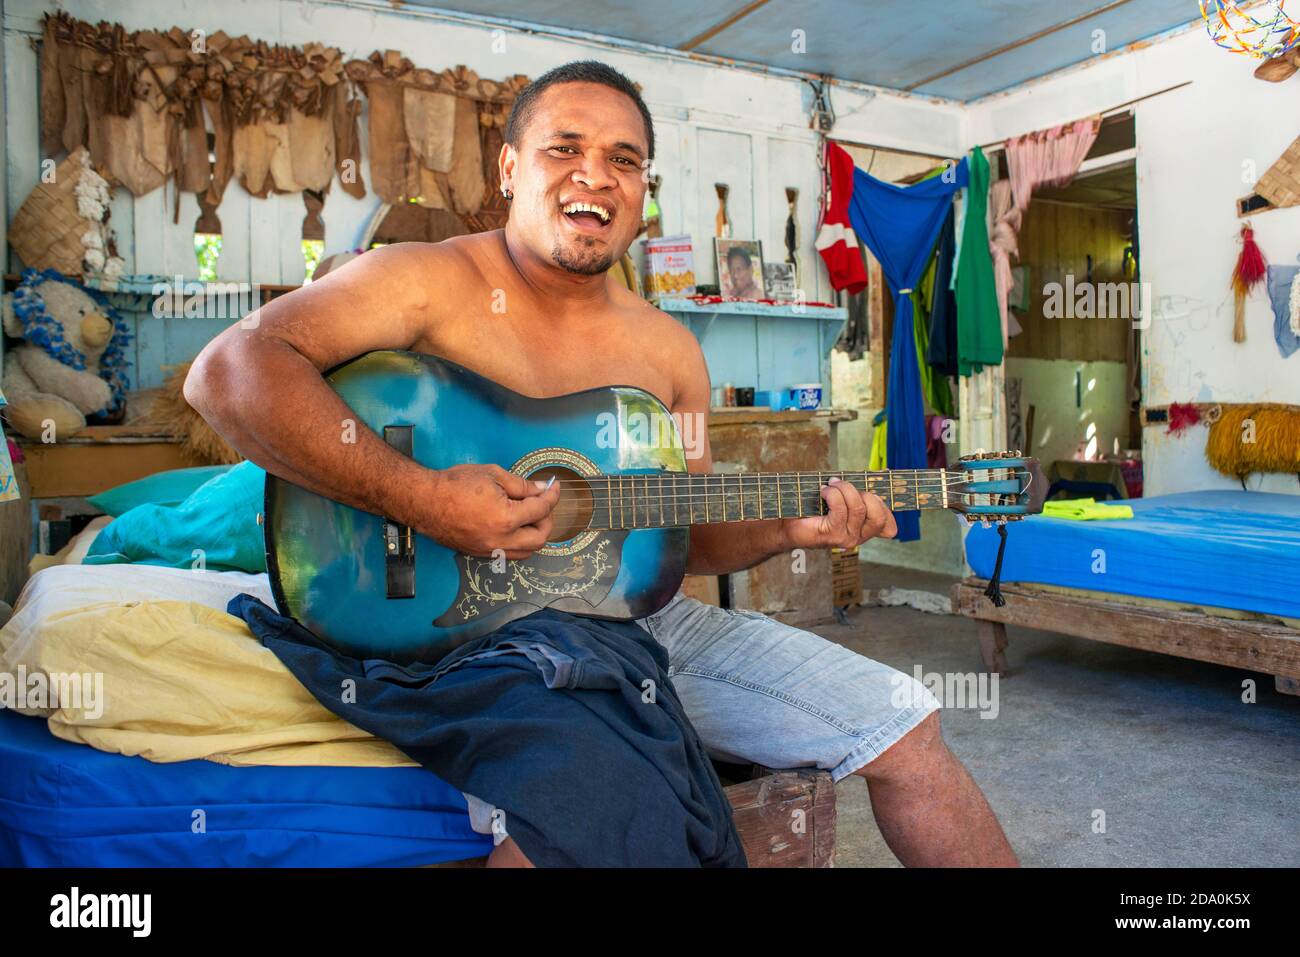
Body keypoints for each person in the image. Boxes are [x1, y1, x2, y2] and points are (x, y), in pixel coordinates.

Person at [186, 59, 1017, 868]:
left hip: (631, 624)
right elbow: (227, 371)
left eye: (624, 159)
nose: (597, 175)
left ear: (643, 190)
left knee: (908, 722)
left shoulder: (668, 353)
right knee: (596, 797)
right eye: (565, 148)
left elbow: (678, 537)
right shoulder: (422, 280)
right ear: (510, 169)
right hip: (454, 632)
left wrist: (784, 527)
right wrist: (422, 498)